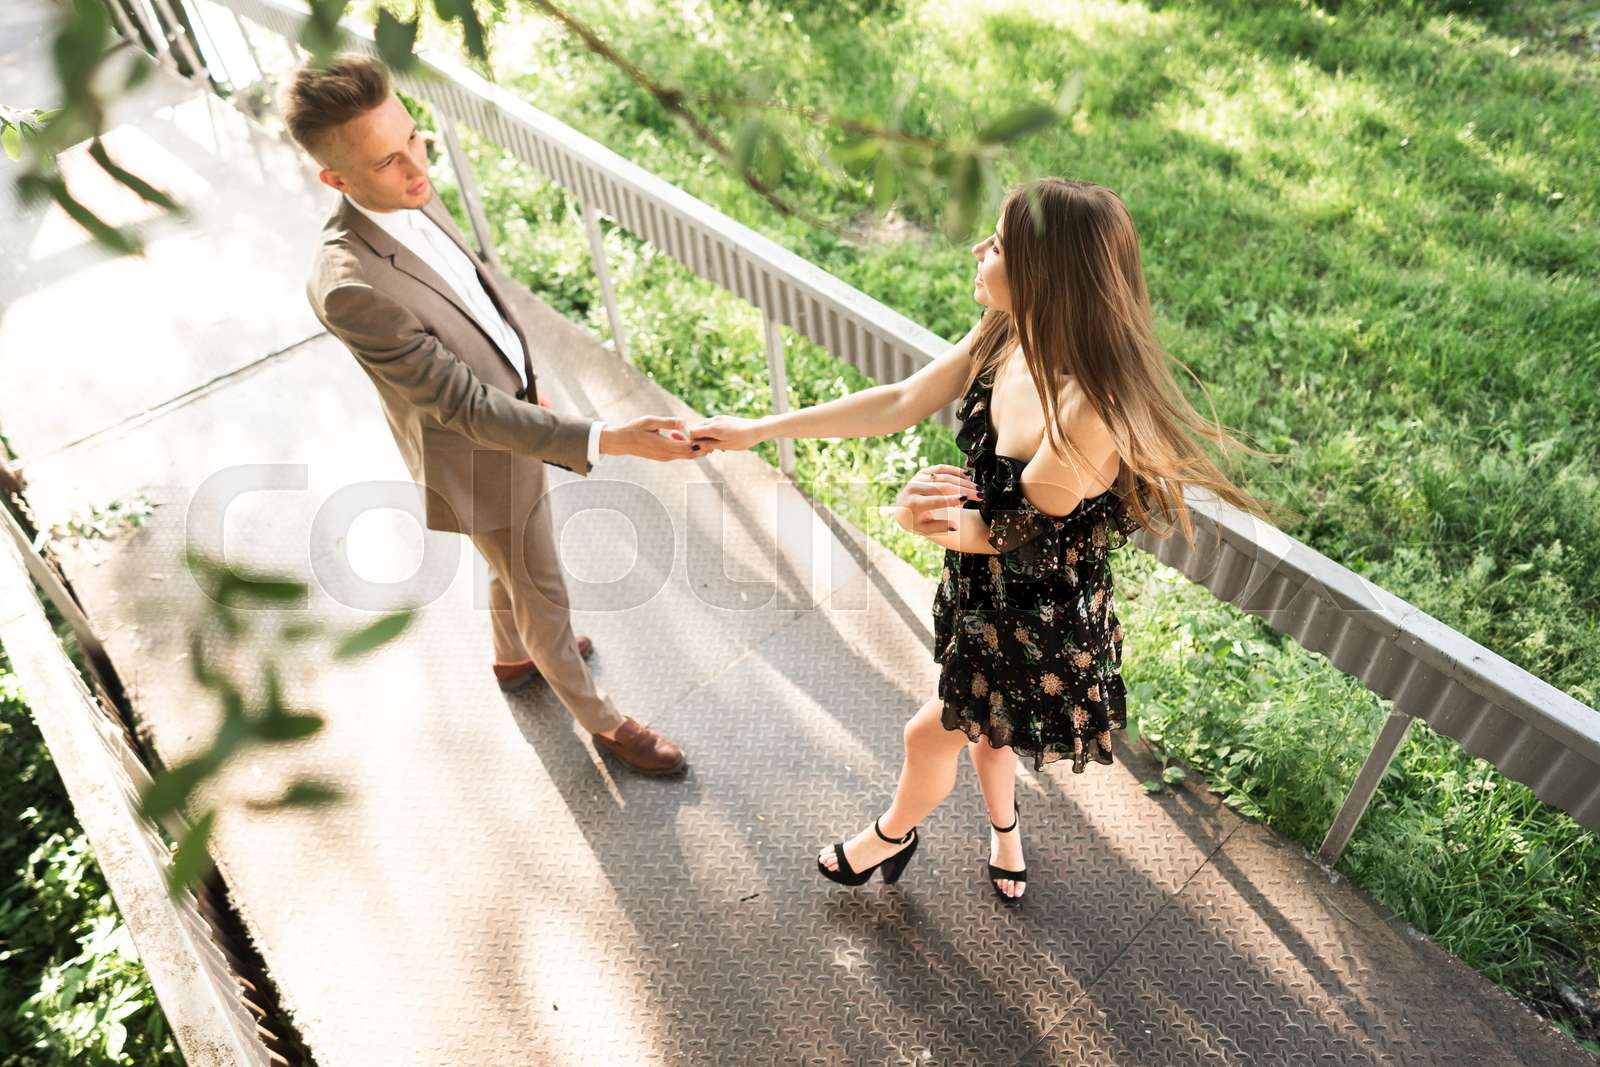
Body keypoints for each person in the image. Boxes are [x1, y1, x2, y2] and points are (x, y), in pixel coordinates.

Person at [690, 177, 1286, 900]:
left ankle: (888, 835)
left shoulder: (1090, 408)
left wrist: (915, 517)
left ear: (1045, 273)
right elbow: (903, 400)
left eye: (997, 243)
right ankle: (1006, 836)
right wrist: (757, 429)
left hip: (1038, 623)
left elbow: (1015, 538)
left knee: (929, 735)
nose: (978, 250)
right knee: (985, 730)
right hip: (985, 591)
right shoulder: (1012, 334)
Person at [287, 52, 698, 776]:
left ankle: (514, 658)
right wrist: (608, 438)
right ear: (335, 179)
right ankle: (602, 723)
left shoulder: (407, 186)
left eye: (414, 137)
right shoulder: (347, 287)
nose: (418, 167)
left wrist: (528, 377)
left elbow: (471, 301)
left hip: (512, 416)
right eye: (388, 160)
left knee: (514, 565)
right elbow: (463, 406)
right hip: (477, 453)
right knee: (544, 589)